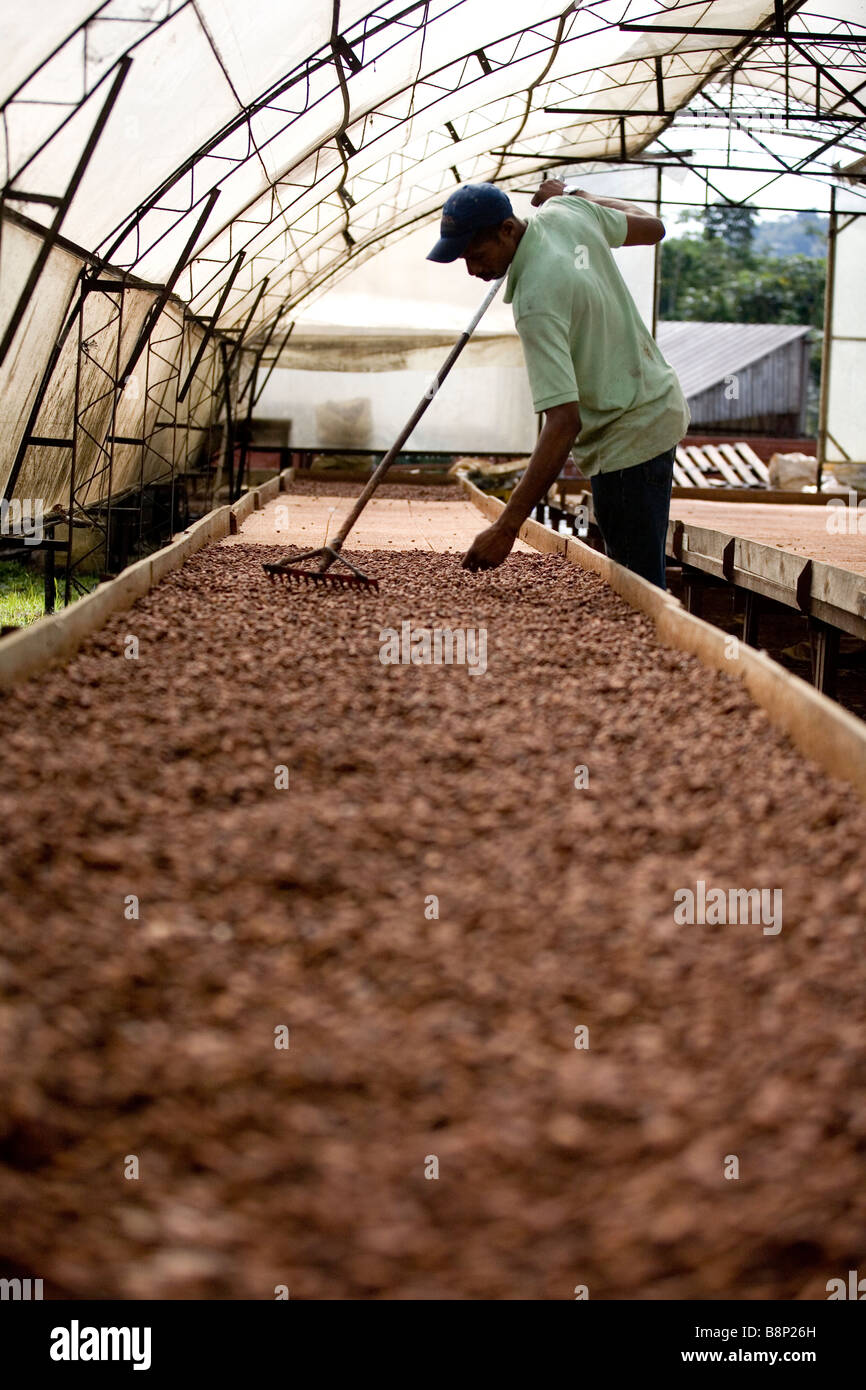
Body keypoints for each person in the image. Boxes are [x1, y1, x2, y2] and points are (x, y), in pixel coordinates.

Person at [426, 179, 690, 588]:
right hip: (655, 405)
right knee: (636, 572)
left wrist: (506, 527)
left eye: (477, 255)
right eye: (464, 259)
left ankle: (670, 645)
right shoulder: (566, 212)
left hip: (627, 436)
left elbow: (564, 422)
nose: (473, 270)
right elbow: (653, 227)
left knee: (638, 589)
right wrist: (576, 194)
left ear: (508, 230)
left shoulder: (536, 302)